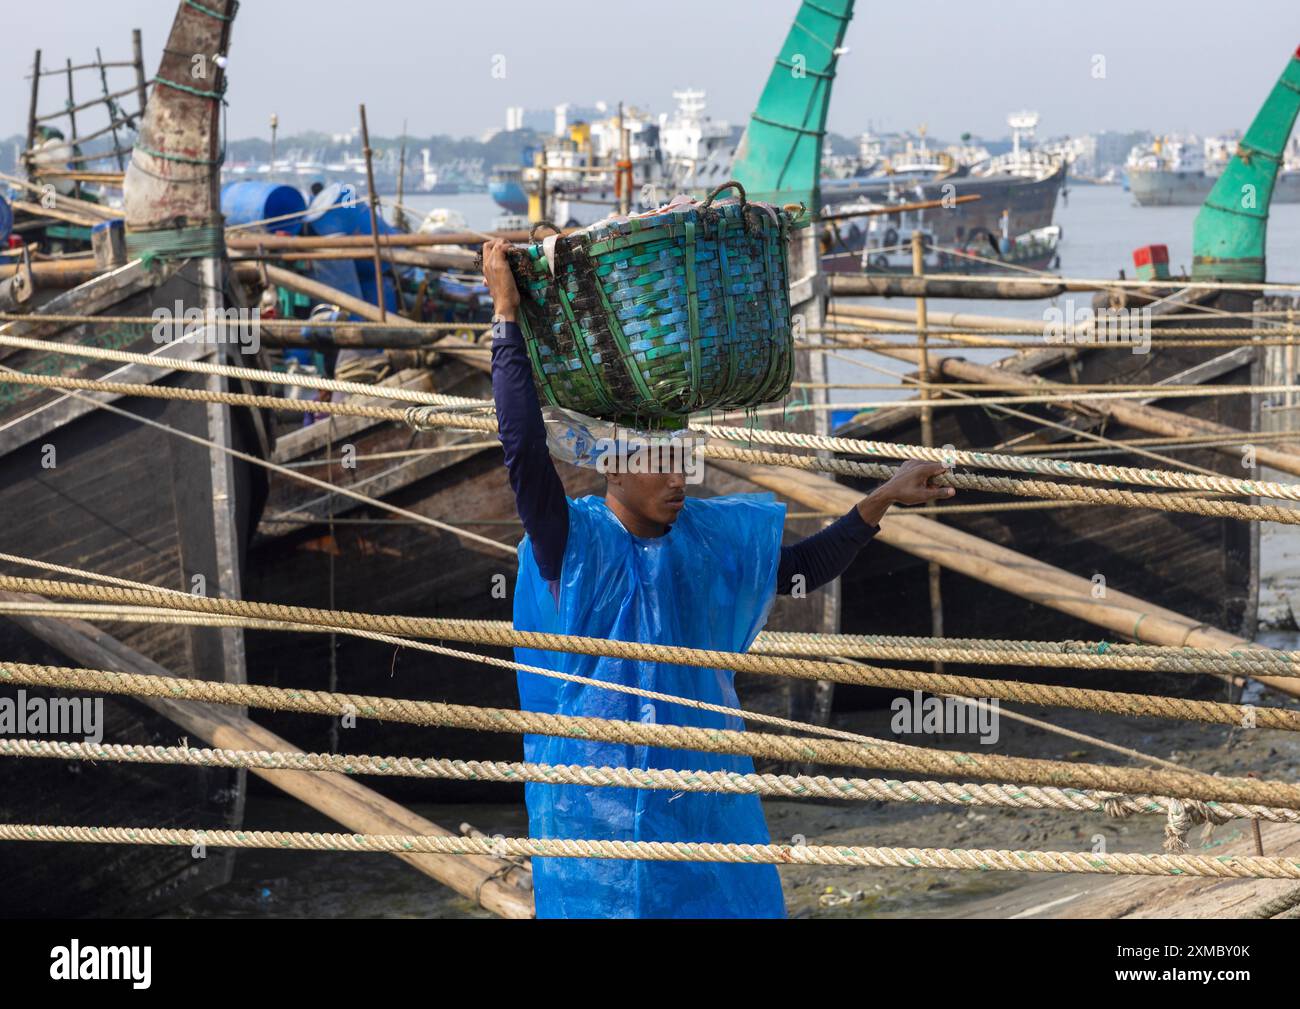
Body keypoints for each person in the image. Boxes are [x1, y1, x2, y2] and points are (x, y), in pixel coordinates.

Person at [481, 238, 954, 918]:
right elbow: (523, 448)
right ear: (613, 465)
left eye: (684, 462)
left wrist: (876, 501)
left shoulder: (704, 541)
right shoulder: (573, 545)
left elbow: (797, 572)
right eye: (659, 463)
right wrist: (504, 316)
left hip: (698, 805)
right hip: (595, 822)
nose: (677, 479)